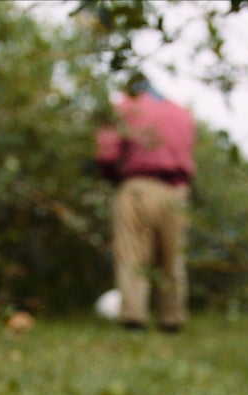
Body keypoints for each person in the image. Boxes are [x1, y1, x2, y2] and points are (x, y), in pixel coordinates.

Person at [93, 72, 196, 333]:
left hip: (138, 186)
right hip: (177, 192)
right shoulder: (181, 113)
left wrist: (111, 175)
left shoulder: (126, 107)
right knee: (173, 258)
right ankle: (172, 320)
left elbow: (106, 154)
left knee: (132, 254)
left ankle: (134, 319)